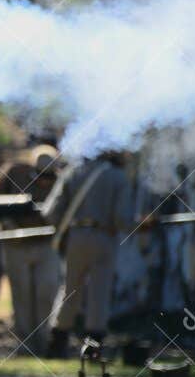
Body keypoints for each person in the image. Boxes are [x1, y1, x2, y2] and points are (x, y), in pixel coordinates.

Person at [40, 149, 142, 359]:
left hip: (76, 236)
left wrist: (67, 227)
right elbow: (122, 218)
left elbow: (51, 211)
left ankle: (56, 343)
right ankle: (92, 349)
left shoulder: (73, 172)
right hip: (103, 237)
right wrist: (140, 224)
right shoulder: (117, 177)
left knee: (69, 290)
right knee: (99, 294)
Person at [0, 144, 62, 352]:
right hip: (16, 243)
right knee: (22, 293)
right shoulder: (14, 173)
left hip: (47, 242)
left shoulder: (60, 180)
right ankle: (25, 342)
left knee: (46, 290)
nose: (45, 181)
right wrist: (7, 223)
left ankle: (45, 339)